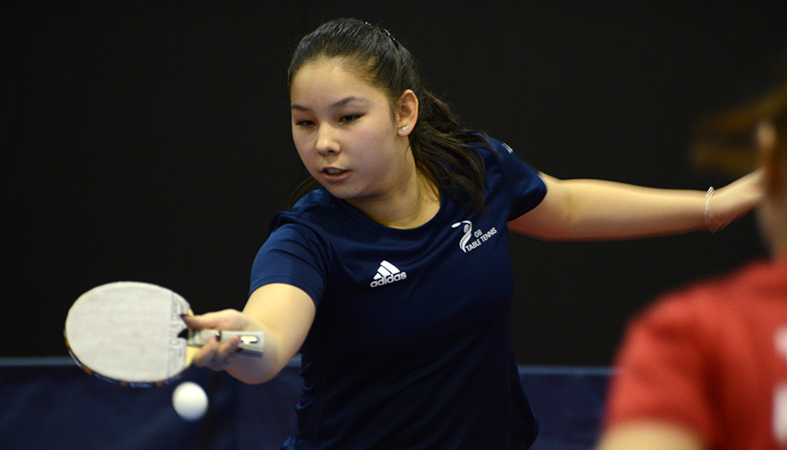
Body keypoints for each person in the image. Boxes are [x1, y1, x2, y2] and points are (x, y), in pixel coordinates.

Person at [182, 18, 761, 449]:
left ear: (404, 113)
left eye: (347, 117)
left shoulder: (473, 169)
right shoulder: (305, 239)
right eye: (304, 122)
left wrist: (717, 205)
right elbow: (271, 336)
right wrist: (244, 338)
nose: (323, 142)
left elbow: (567, 207)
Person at [596, 59, 787, 449]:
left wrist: (711, 207)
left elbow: (563, 206)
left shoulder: (691, 334)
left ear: (767, 156)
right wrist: (711, 206)